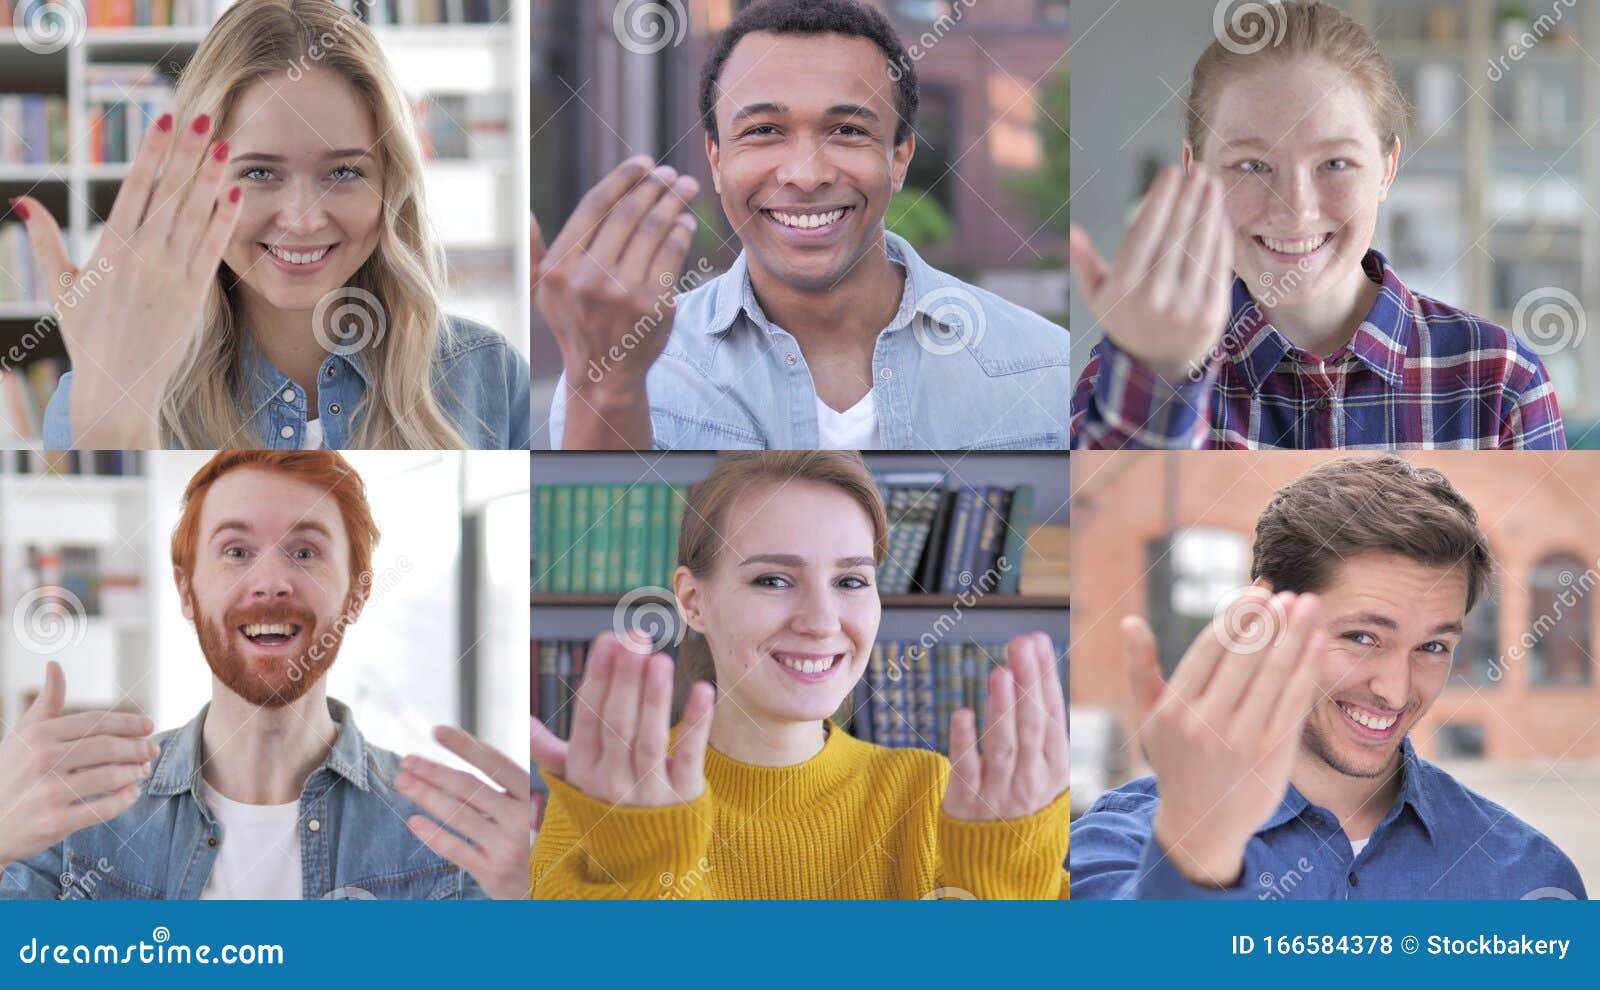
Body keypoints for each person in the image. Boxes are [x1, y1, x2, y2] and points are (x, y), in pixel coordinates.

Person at [532, 0, 1068, 451]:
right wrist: (609, 389)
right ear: (716, 160)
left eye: (847, 130)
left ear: (900, 158)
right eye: (764, 130)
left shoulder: (1046, 369)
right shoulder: (624, 365)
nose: (806, 175)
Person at [529, 451, 1069, 898]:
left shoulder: (936, 793)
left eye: (851, 581)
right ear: (693, 601)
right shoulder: (604, 799)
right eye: (773, 580)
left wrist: (1003, 886)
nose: (821, 621)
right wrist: (643, 868)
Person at [0, 451, 529, 900]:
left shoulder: (450, 843)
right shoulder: (72, 820)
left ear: (357, 593)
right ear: (187, 592)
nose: (271, 581)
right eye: (236, 552)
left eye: (305, 552)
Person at [7, 0, 530, 450]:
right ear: (194, 186)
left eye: (344, 172)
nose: (302, 219)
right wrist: (117, 421)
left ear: (390, 184)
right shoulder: (94, 399)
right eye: (258, 173)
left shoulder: (490, 375)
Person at [1071, 456, 1585, 899]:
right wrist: (1196, 855)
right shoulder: (1120, 844)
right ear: (1262, 621)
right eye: (1362, 637)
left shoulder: (1530, 878)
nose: (1395, 691)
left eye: (1432, 647)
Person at [1070, 0, 1563, 450]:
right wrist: (1159, 384)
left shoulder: (1503, 381)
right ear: (1194, 170)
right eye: (1253, 165)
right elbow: (1108, 519)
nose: (1295, 209)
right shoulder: (1123, 381)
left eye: (1335, 163)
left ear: (1387, 169)